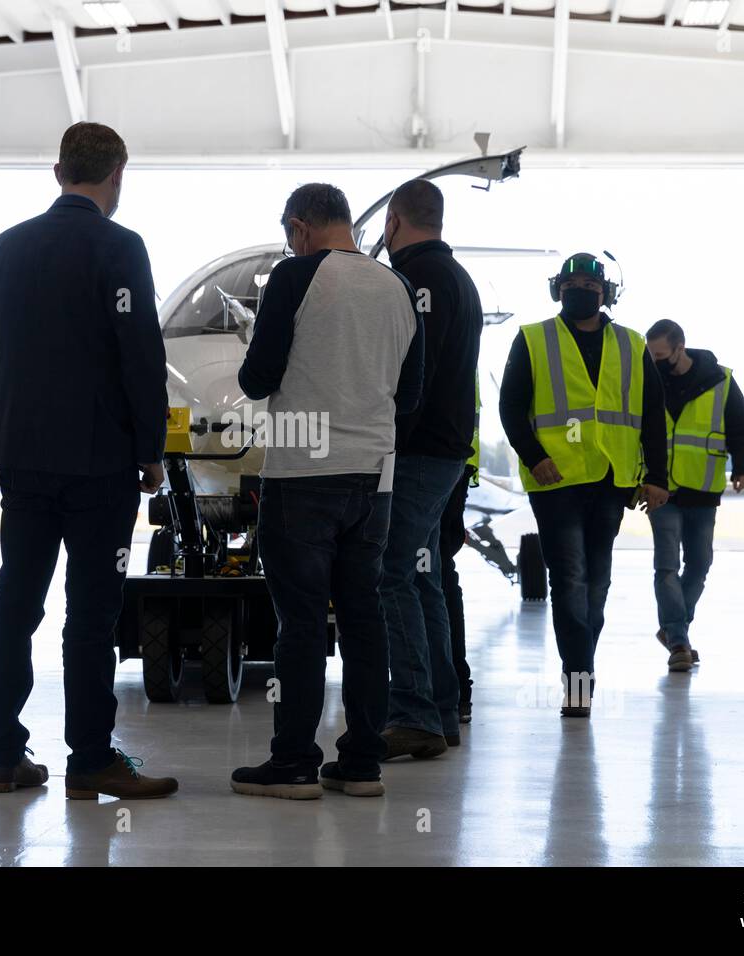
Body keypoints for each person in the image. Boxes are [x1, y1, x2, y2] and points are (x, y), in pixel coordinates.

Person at [0, 121, 177, 798]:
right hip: (100, 465)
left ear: (58, 173)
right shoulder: (121, 248)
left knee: (15, 606)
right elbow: (141, 354)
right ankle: (90, 762)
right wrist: (149, 449)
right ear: (117, 176)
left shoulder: (10, 246)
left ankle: (4, 758)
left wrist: (10, 403)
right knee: (89, 616)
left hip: (23, 460)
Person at [230, 182, 423, 799]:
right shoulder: (396, 287)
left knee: (304, 625)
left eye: (291, 233)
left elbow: (257, 379)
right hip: (374, 478)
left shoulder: (294, 277)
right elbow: (412, 395)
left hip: (301, 476)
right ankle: (364, 761)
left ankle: (293, 764)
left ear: (301, 227)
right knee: (365, 619)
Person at [498, 253, 668, 718]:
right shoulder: (534, 339)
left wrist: (656, 476)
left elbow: (652, 413)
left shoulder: (632, 345)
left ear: (605, 294)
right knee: (570, 580)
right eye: (571, 283)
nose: (581, 292)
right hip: (555, 482)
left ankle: (580, 667)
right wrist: (537, 457)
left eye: (590, 287)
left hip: (612, 479)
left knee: (597, 585)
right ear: (558, 290)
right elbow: (510, 408)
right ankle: (579, 682)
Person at [377, 179, 482, 759]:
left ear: (394, 222)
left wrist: (387, 445)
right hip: (447, 452)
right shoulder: (457, 278)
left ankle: (414, 711)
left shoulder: (418, 279)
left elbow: (414, 376)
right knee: (424, 575)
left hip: (418, 452)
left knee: (389, 572)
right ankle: (440, 712)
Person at [644, 319, 744, 670]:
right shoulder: (648, 381)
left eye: (661, 355)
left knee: (699, 564)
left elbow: (741, 426)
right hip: (662, 489)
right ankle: (678, 641)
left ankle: (674, 627)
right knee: (666, 566)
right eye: (651, 356)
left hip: (703, 489)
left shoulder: (720, 380)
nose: (655, 362)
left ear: (681, 348)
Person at [441, 378, 481, 724]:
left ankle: (448, 694)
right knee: (436, 573)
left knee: (429, 573)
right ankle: (451, 694)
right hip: (453, 457)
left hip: (430, 455)